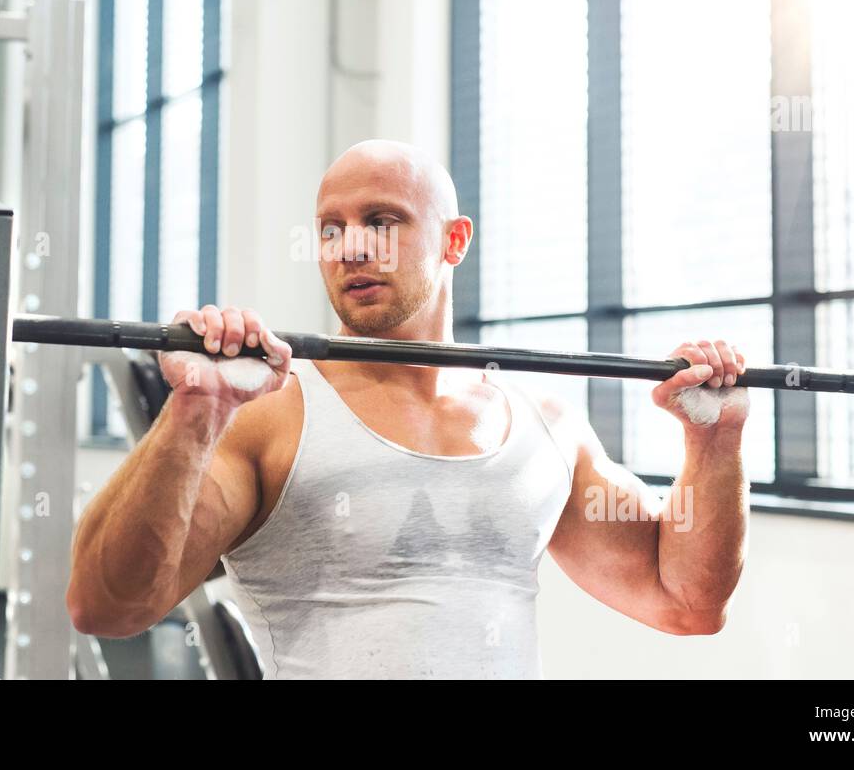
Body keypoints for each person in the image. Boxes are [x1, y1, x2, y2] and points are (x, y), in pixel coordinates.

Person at [67, 139, 750, 679]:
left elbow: (686, 599)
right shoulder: (269, 416)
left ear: (454, 240)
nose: (351, 246)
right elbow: (105, 604)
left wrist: (714, 443)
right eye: (330, 229)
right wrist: (196, 409)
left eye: (381, 221)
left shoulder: (544, 423)